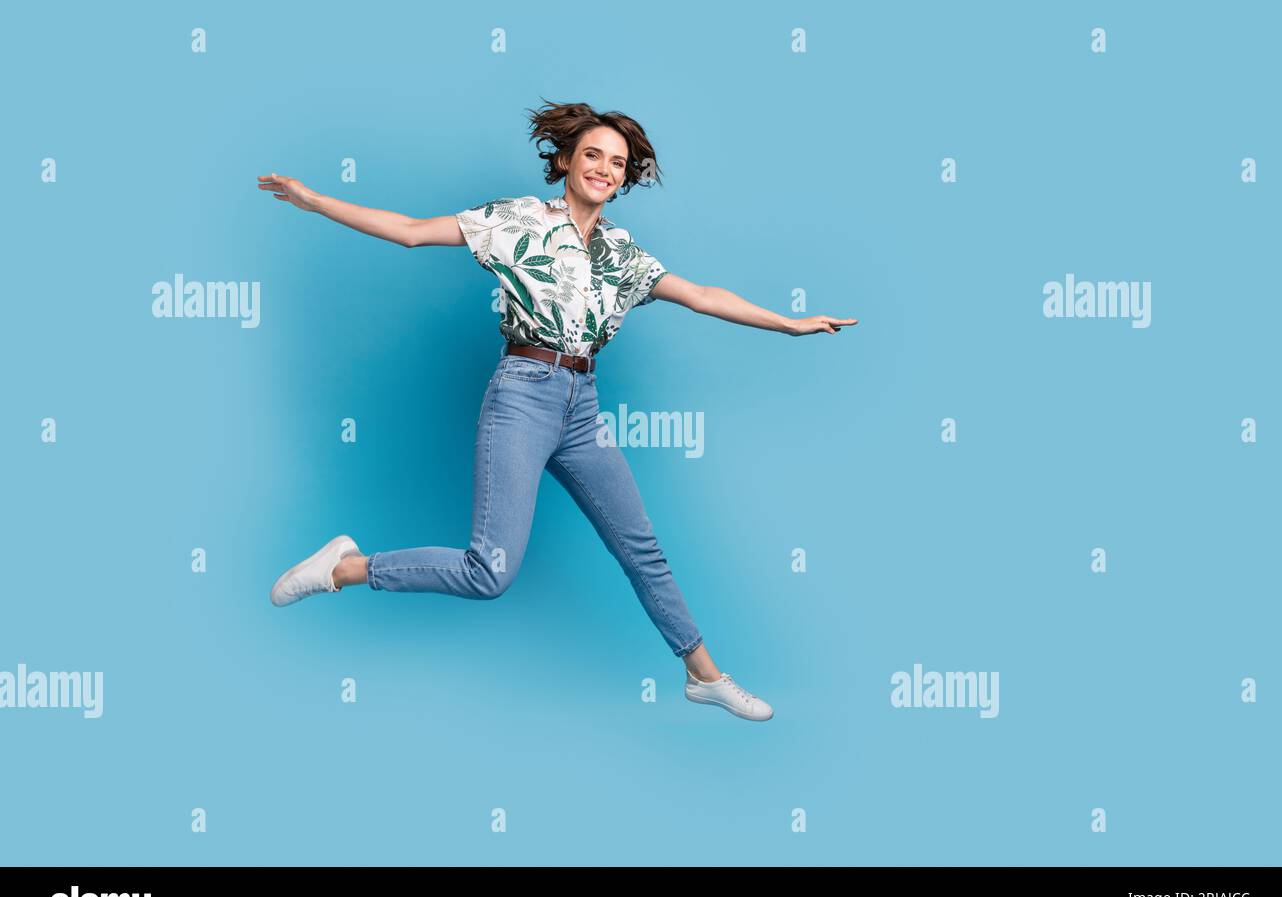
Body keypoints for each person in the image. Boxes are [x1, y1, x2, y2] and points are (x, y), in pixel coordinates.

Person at [258, 100, 856, 721]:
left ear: (625, 179)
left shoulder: (621, 254)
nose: (604, 168)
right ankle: (345, 568)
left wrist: (788, 325)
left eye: (618, 163)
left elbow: (700, 295)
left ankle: (704, 676)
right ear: (567, 159)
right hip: (523, 393)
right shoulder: (519, 220)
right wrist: (317, 201)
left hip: (582, 406)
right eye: (593, 154)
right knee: (489, 571)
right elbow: (412, 231)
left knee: (640, 547)